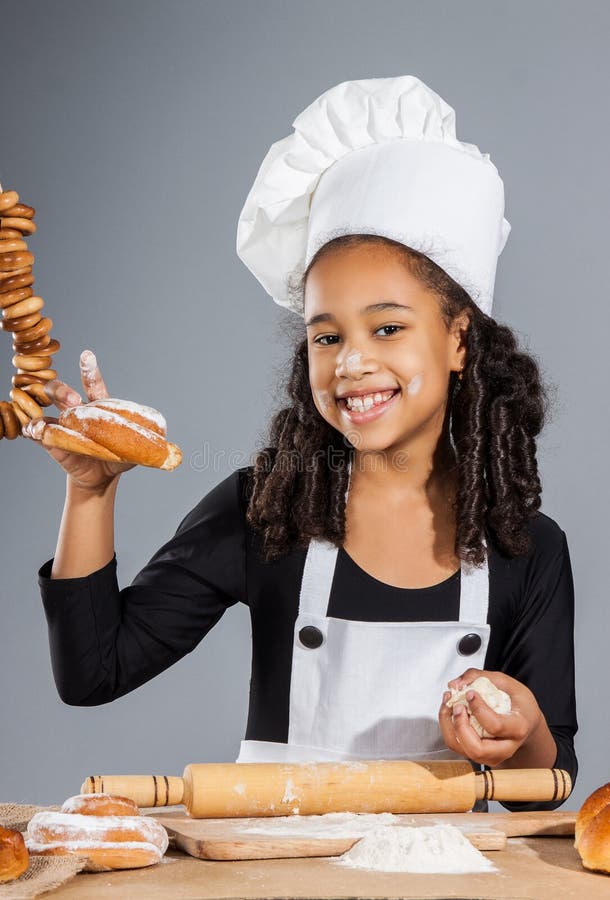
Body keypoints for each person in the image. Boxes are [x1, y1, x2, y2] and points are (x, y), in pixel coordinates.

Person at [29, 76, 577, 812]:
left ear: (457, 339)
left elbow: (546, 787)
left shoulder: (527, 548)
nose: (351, 362)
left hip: (445, 882)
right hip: (274, 876)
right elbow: (95, 672)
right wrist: (91, 491)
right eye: (327, 335)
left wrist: (523, 724)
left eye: (387, 327)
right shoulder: (268, 509)